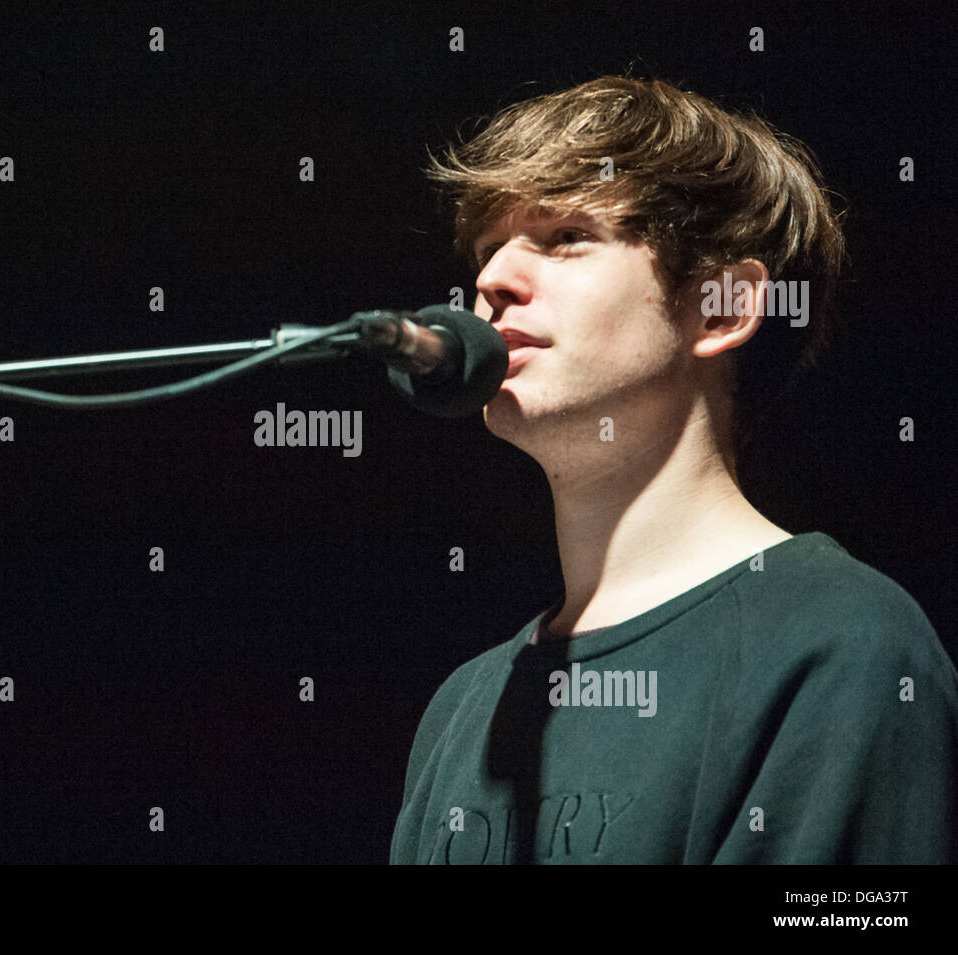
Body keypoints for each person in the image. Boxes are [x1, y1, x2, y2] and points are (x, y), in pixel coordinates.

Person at [390, 76, 957, 864]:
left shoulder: (843, 646)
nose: (491, 281)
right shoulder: (466, 706)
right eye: (490, 249)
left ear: (722, 307)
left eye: (565, 237)